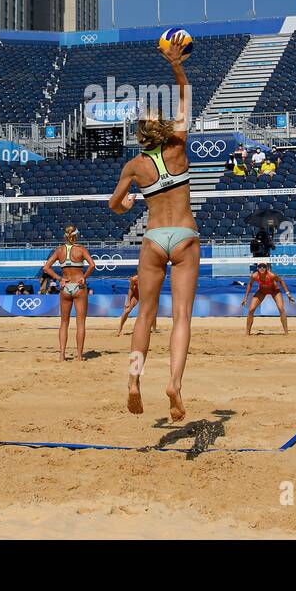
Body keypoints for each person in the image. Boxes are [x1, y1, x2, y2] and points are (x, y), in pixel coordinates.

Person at [108, 36, 198, 421]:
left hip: (153, 239)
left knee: (144, 316)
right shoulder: (178, 145)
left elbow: (114, 205)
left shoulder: (134, 167)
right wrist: (175, 64)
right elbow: (186, 95)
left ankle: (133, 381)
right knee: (181, 318)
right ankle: (174, 383)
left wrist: (128, 204)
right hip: (184, 236)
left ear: (140, 137)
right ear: (162, 129)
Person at [40, 225, 95, 361]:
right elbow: (92, 265)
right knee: (80, 323)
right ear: (76, 235)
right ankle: (80, 356)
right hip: (78, 286)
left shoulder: (59, 250)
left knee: (64, 323)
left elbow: (46, 268)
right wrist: (84, 277)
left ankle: (62, 355)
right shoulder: (80, 249)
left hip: (65, 287)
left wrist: (59, 278)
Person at [241, 262, 295, 335]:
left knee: (281, 309)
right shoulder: (254, 275)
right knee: (251, 310)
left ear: (267, 268)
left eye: (264, 266)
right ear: (257, 268)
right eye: (260, 266)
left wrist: (288, 294)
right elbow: (250, 284)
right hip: (262, 291)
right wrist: (245, 298)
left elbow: (281, 281)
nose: (262, 268)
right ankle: (247, 333)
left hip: (274, 290)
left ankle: (286, 333)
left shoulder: (272, 275)